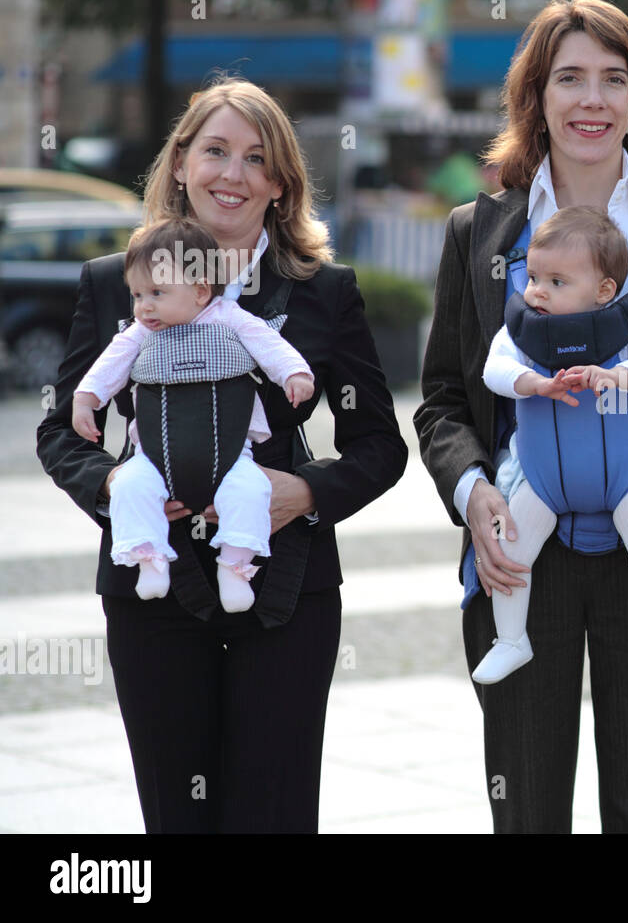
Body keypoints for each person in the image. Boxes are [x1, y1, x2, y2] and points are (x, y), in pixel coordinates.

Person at [413, 0, 628, 833]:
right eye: (569, 78)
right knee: (525, 806)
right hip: (518, 554)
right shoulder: (478, 232)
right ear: (534, 97)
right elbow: (444, 404)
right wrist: (475, 498)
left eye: (614, 79)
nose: (593, 100)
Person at [36, 78, 408, 833]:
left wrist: (304, 492)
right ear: (179, 164)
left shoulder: (324, 292)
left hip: (289, 592)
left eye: (256, 159)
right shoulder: (114, 282)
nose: (232, 175)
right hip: (152, 590)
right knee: (179, 814)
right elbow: (58, 429)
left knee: (273, 813)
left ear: (280, 185)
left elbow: (379, 446)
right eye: (214, 151)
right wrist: (111, 483)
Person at [476, 205, 628, 686]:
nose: (536, 291)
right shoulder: (523, 329)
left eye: (556, 281)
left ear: (604, 290)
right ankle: (511, 639)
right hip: (542, 477)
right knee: (511, 550)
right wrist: (532, 382)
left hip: (625, 475)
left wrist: (619, 375)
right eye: (532, 277)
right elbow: (494, 370)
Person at [72, 217, 315, 613]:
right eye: (136, 295)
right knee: (130, 487)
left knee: (251, 491)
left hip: (232, 452)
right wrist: (86, 399)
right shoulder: (141, 331)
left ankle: (235, 566)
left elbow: (267, 342)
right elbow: (109, 362)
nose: (143, 306)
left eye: (156, 292)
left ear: (202, 291)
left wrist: (295, 372)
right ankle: (150, 559)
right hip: (152, 452)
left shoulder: (229, 317)